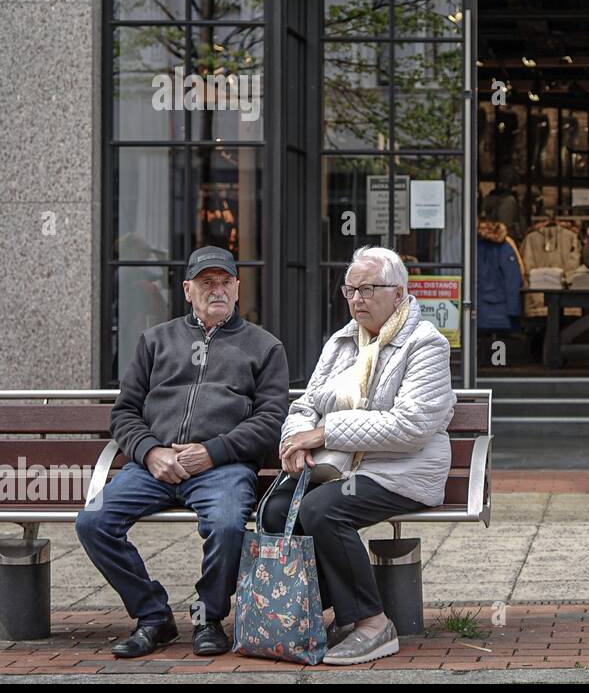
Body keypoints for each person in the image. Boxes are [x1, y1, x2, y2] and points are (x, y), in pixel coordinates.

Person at [76, 246, 289, 658]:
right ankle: (153, 616)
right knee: (93, 522)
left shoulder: (264, 347)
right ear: (188, 290)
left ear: (238, 288)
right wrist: (150, 452)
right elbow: (124, 413)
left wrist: (212, 452)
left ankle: (209, 616)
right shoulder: (155, 340)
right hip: (153, 466)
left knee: (227, 526)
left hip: (223, 467)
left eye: (225, 282)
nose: (217, 290)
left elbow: (270, 420)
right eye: (207, 283)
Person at [264, 246, 455, 665]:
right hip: (341, 466)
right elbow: (305, 406)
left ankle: (372, 623)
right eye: (350, 290)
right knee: (277, 510)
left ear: (399, 293)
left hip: (401, 469)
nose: (356, 299)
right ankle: (323, 608)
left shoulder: (426, 344)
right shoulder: (342, 341)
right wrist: (295, 441)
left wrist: (325, 432)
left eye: (368, 289)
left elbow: (411, 426)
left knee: (322, 510)